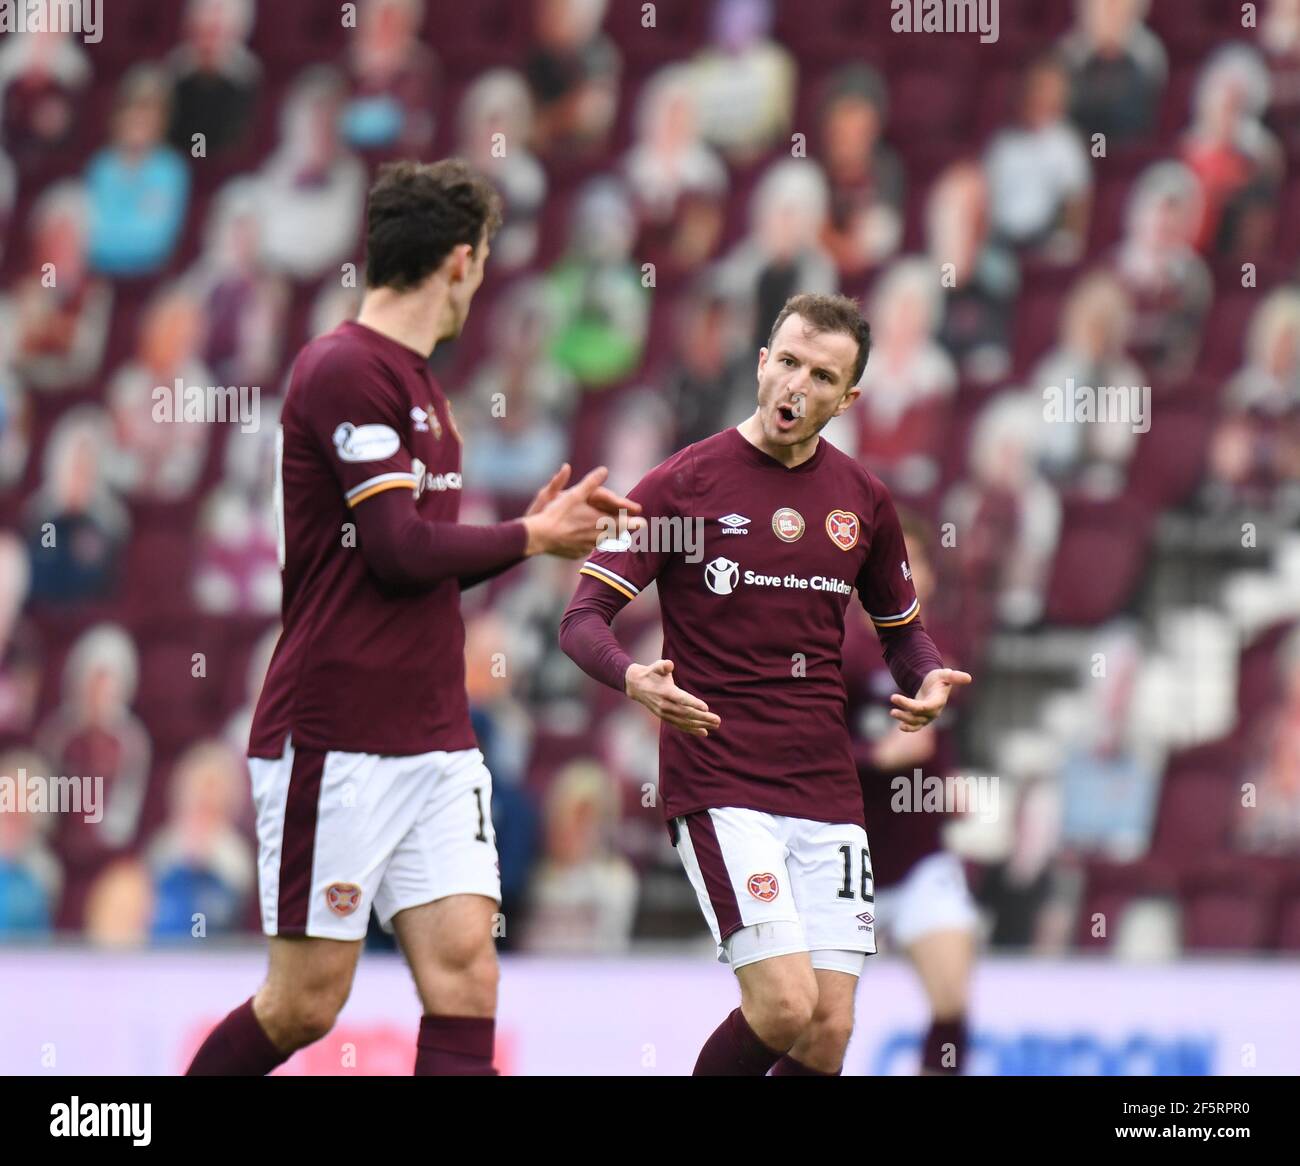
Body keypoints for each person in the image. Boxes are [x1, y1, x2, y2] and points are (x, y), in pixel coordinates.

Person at [185, 159, 642, 1077]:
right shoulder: (345, 369)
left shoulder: (426, 389)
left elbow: (419, 564)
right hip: (336, 731)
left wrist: (527, 534)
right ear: (462, 263)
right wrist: (527, 537)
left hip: (433, 735)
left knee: (467, 973)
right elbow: (394, 551)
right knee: (306, 1003)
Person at [560, 293, 970, 1075]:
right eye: (786, 362)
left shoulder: (863, 502)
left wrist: (925, 678)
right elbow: (582, 619)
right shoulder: (681, 485)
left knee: (829, 1027)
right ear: (761, 362)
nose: (796, 386)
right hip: (721, 780)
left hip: (826, 789)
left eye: (821, 376)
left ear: (848, 399)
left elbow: (902, 629)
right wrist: (633, 679)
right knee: (784, 1004)